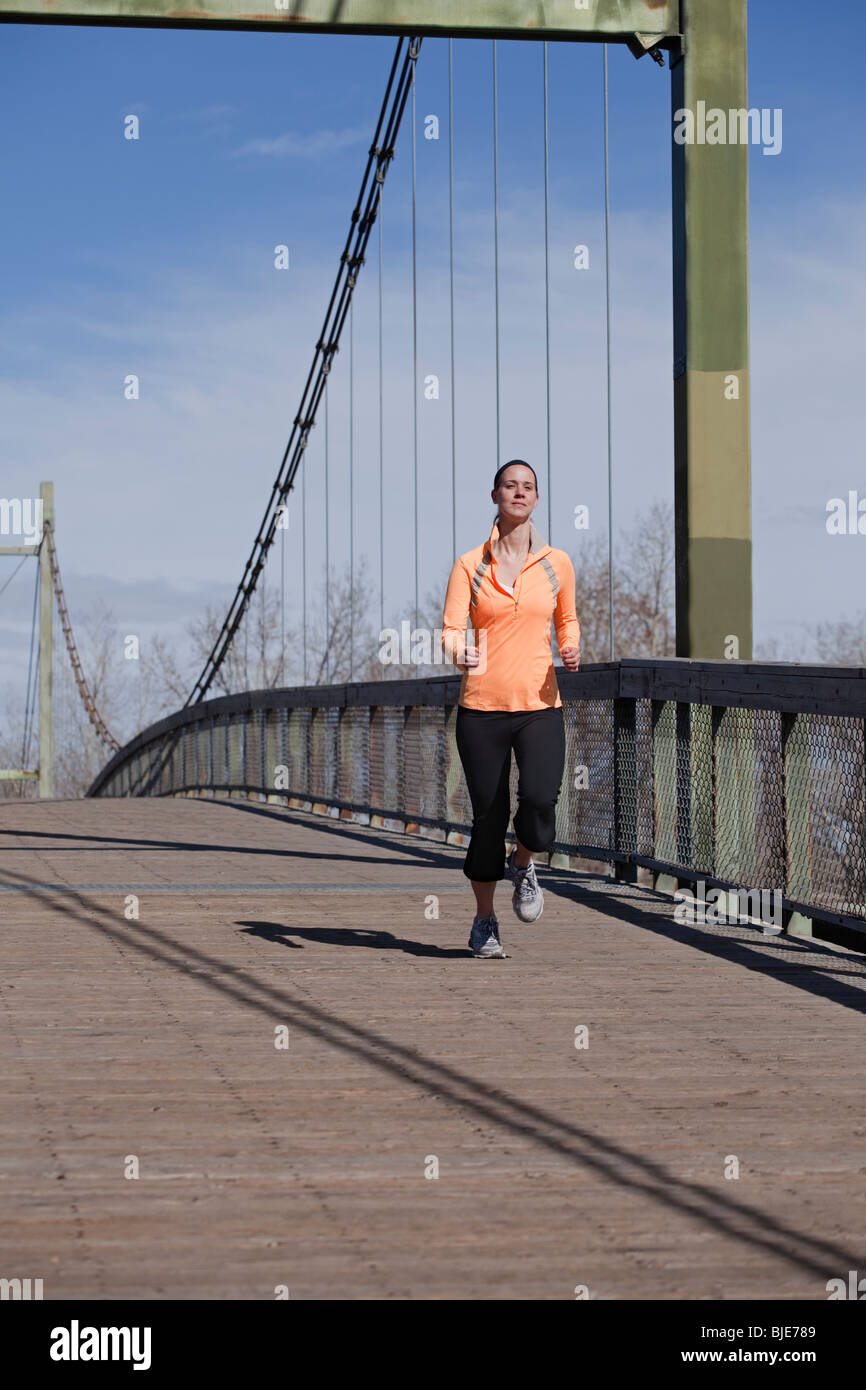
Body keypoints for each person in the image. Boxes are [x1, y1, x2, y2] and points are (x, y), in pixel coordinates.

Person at [441, 460, 581, 958]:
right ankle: (484, 921)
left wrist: (571, 647)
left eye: (528, 487)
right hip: (482, 709)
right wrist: (460, 651)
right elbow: (451, 630)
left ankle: (523, 862)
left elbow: (567, 619)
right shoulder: (469, 564)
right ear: (495, 495)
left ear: (536, 500)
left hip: (541, 703)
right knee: (487, 819)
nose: (519, 493)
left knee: (541, 805)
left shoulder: (556, 562)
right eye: (510, 485)